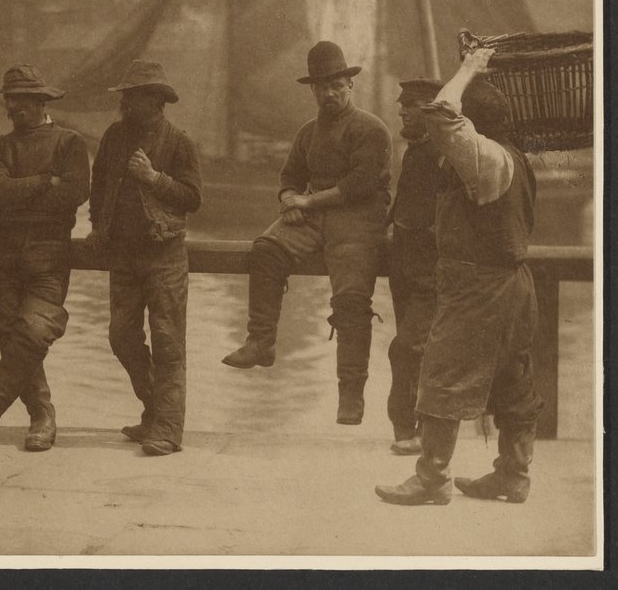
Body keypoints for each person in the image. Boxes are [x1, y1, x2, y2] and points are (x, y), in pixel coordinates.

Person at [376, 48, 542, 506]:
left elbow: (443, 115)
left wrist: (469, 69)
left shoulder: (487, 158)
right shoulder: (516, 157)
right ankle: (513, 475)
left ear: (479, 124)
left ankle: (432, 479)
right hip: (512, 287)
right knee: (513, 379)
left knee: (443, 375)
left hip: (478, 289)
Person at [222, 40, 392, 426]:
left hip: (359, 219)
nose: (329, 93)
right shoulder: (307, 133)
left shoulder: (371, 129)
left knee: (350, 301)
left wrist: (308, 203)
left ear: (351, 86)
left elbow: (361, 185)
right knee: (265, 249)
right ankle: (261, 342)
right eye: (321, 87)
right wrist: (288, 200)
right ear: (312, 91)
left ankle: (351, 395)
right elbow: (289, 178)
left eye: (337, 85)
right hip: (314, 216)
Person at [0, 65, 90, 452]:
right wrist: (42, 182)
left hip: (48, 255)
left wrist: (27, 197)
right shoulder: (0, 147)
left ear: (41, 102)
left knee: (34, 331)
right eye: (10, 99)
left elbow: (74, 194)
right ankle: (43, 415)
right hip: (1, 255)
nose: (14, 106)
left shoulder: (69, 143)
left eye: (23, 100)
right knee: (9, 332)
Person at [88, 60, 203, 456]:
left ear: (157, 100)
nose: (127, 103)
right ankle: (156, 411)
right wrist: (97, 225)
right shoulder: (114, 137)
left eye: (135, 96)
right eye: (126, 96)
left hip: (164, 256)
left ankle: (168, 431)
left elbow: (193, 198)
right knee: (121, 337)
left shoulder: (179, 142)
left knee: (169, 343)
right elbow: (98, 184)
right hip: (122, 255)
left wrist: (154, 178)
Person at [385, 78, 447, 455]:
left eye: (411, 106)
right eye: (402, 106)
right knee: (412, 348)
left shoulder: (444, 153)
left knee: (410, 348)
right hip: (403, 264)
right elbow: (404, 202)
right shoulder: (414, 153)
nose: (402, 111)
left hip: (432, 268)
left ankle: (416, 428)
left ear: (430, 111)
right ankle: (408, 431)